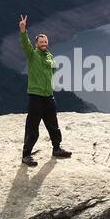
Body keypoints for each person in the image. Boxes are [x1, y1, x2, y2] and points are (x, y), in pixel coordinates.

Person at [18, 14, 72, 166]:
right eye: (41, 42)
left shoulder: (49, 56)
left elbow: (53, 70)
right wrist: (23, 30)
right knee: (32, 128)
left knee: (53, 125)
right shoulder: (33, 54)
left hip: (48, 96)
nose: (43, 43)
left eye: (45, 42)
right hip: (36, 96)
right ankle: (26, 155)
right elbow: (25, 44)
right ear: (36, 44)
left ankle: (57, 148)